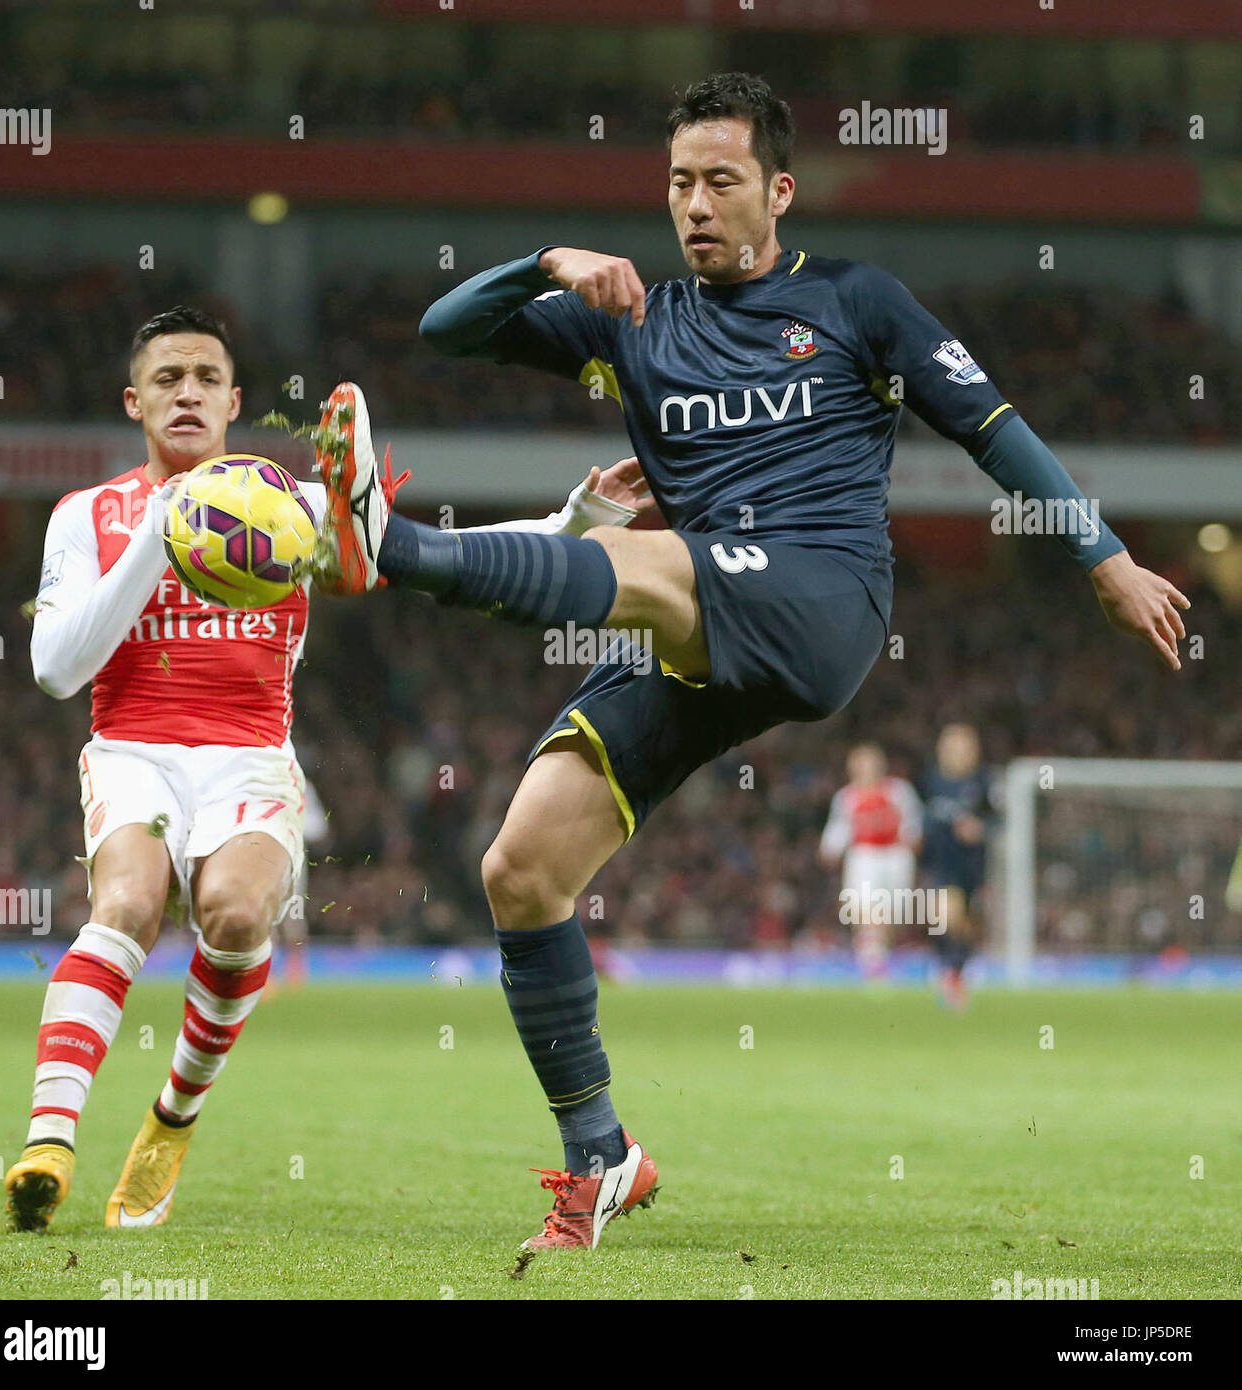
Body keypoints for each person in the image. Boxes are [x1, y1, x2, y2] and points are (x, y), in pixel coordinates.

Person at [310, 72, 1189, 1250]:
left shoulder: (855, 301)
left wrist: (1104, 557)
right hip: (700, 627)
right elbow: (442, 330)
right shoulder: (634, 320)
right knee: (520, 866)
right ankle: (604, 1159)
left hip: (822, 603)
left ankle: (394, 545)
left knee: (651, 555)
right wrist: (545, 263)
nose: (696, 204)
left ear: (777, 190)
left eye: (721, 180)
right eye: (678, 182)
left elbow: (994, 428)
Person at [4, 305, 643, 1233]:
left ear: (234, 402)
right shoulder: (86, 515)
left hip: (250, 758)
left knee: (231, 914)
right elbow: (57, 670)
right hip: (133, 749)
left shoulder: (288, 506)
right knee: (129, 906)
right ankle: (49, 1143)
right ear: (132, 399)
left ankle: (172, 1120)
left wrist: (574, 520)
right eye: (168, 378)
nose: (187, 392)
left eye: (207, 379)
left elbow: (438, 556)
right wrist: (163, 529)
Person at [819, 743, 923, 980]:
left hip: (895, 855)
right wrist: (830, 849)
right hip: (863, 856)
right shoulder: (846, 797)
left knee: (891, 913)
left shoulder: (899, 791)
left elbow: (912, 821)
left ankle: (880, 957)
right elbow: (839, 828)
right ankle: (872, 963)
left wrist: (912, 840)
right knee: (865, 909)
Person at [920, 724, 996, 1008]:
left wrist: (980, 827)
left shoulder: (984, 782)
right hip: (941, 864)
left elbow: (998, 821)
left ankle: (957, 971)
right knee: (946, 916)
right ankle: (949, 973)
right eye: (950, 746)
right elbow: (920, 819)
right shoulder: (929, 782)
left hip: (973, 866)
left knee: (965, 925)